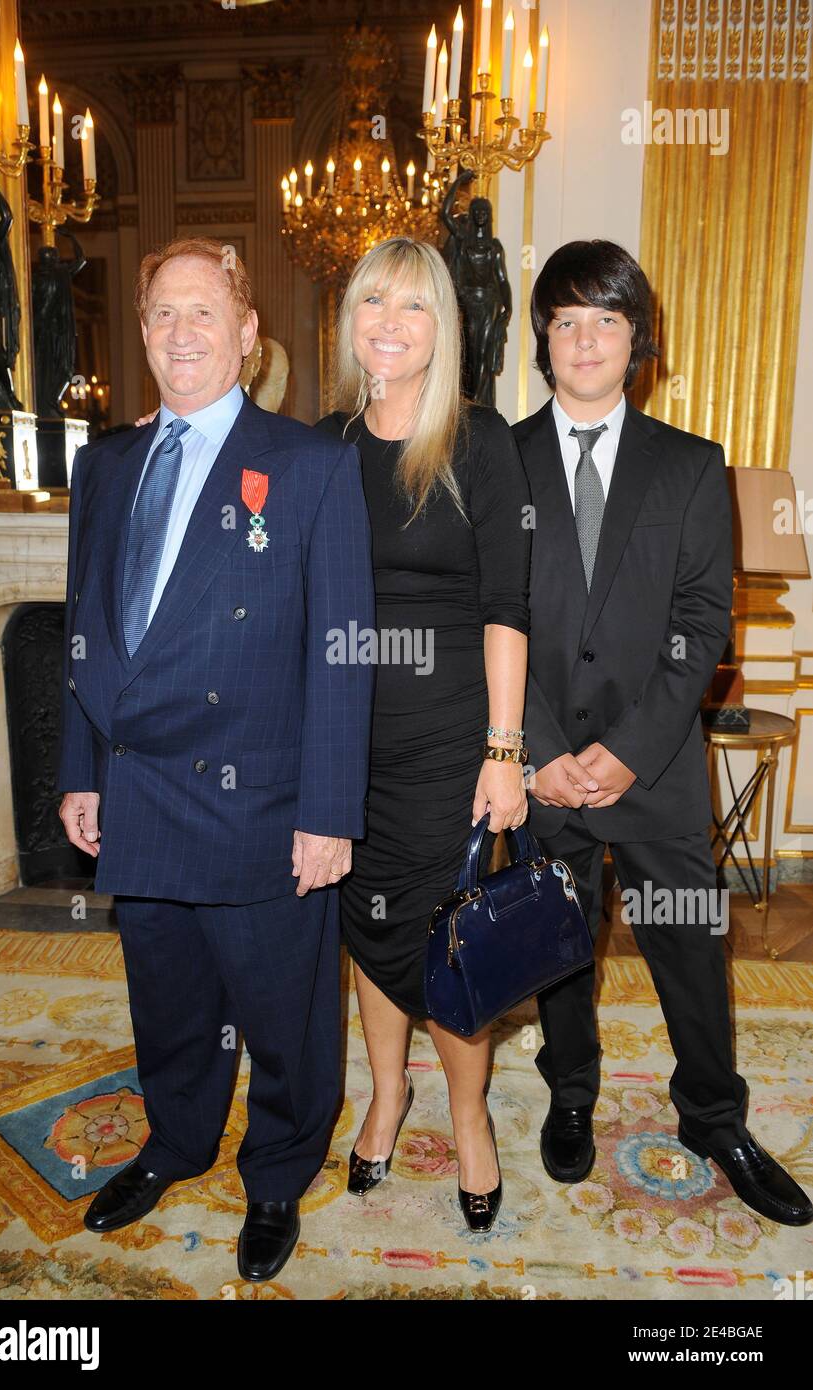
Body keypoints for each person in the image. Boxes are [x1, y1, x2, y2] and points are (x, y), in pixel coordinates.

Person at [57, 236, 375, 1281]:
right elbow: (85, 636)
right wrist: (79, 769)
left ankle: (277, 1172)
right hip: (140, 787)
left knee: (283, 1013)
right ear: (141, 333)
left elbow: (341, 650)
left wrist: (328, 811)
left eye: (204, 313)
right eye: (160, 314)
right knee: (170, 998)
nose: (180, 332)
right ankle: (177, 1141)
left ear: (247, 334)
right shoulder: (102, 465)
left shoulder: (311, 464)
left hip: (262, 800)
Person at [511, 239, 812, 1226]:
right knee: (556, 946)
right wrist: (541, 749)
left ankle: (712, 1115)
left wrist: (629, 747)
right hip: (545, 767)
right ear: (543, 338)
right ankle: (569, 1089)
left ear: (637, 338)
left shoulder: (690, 466)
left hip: (655, 769)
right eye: (566, 321)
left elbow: (701, 624)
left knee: (689, 946)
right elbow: (489, 617)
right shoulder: (498, 459)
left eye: (605, 319)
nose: (585, 339)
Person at [314, 236, 531, 1232]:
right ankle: (387, 1092)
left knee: (444, 939)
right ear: (350, 320)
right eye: (373, 304)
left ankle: (470, 1114)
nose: (390, 325)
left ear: (443, 326)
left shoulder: (479, 443)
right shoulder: (323, 445)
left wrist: (501, 749)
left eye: (413, 307)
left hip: (448, 740)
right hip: (346, 737)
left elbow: (506, 606)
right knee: (367, 925)